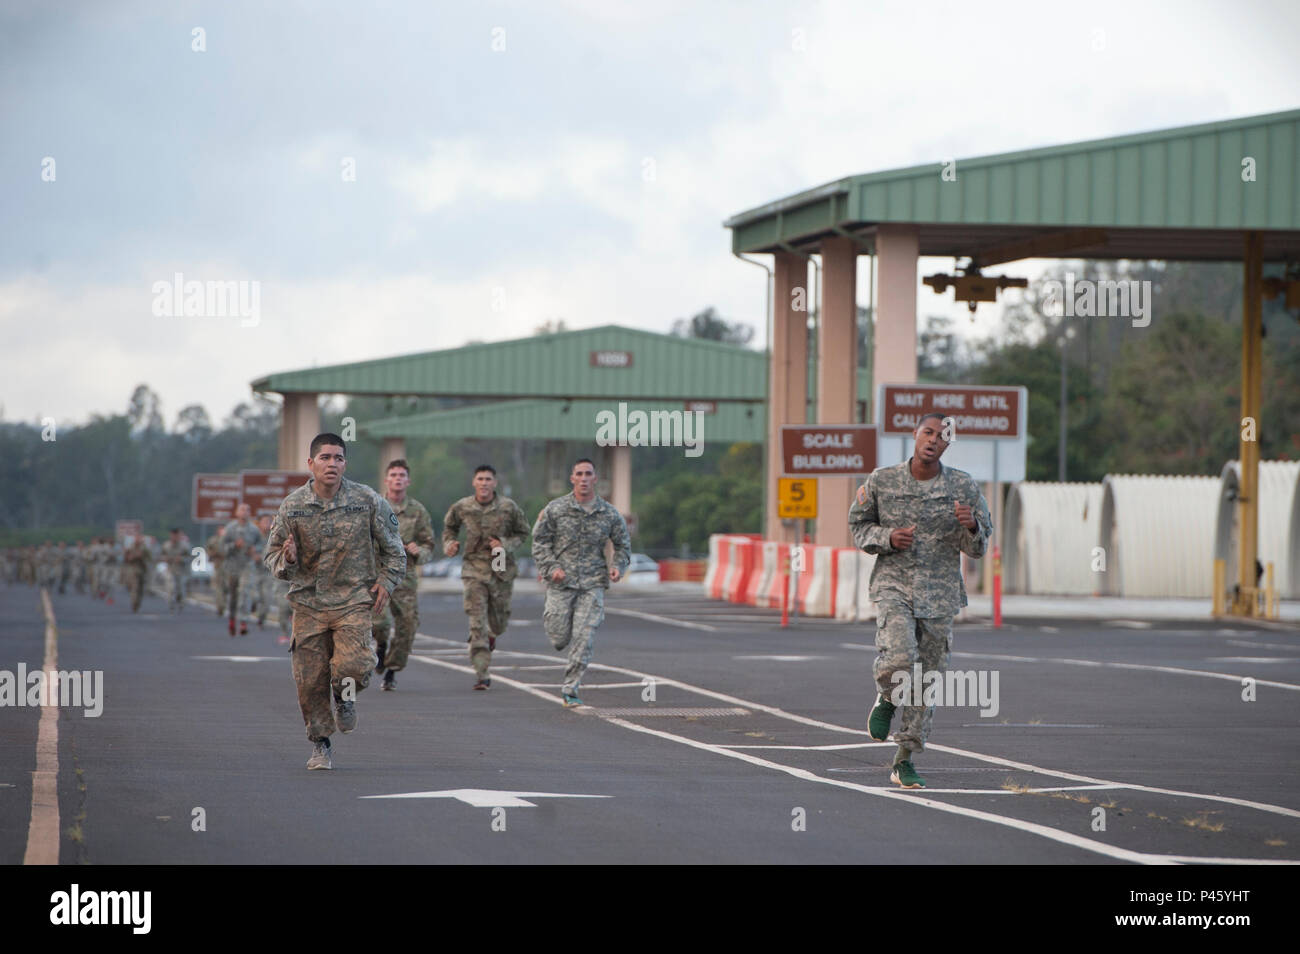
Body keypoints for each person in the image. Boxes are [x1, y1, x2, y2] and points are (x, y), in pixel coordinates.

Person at [849, 410, 992, 790]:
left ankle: (905, 758)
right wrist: (888, 537)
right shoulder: (882, 480)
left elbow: (979, 546)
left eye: (941, 436)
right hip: (894, 586)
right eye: (927, 432)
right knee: (898, 659)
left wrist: (972, 526)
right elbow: (859, 526)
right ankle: (885, 698)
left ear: (948, 444)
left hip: (941, 592)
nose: (933, 440)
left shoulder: (963, 487)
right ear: (915, 435)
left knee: (926, 680)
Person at [264, 433, 406, 771]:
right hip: (308, 604)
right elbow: (271, 557)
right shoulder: (293, 506)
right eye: (325, 457)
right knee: (309, 680)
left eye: (339, 458)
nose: (332, 463)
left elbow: (394, 549)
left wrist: (386, 581)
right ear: (310, 463)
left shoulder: (366, 500)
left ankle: (345, 697)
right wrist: (289, 560)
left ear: (345, 464)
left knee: (353, 666)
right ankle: (320, 744)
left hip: (353, 601)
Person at [531, 457, 630, 707]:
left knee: (584, 637)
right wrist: (551, 568)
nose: (584, 478)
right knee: (559, 637)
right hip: (560, 582)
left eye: (588, 474)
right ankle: (556, 631)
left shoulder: (608, 513)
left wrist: (617, 567)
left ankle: (571, 688)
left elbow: (622, 545)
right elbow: (539, 542)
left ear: (595, 479)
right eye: (579, 474)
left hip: (592, 582)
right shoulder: (555, 509)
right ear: (572, 478)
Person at [442, 464, 530, 690]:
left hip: (501, 570)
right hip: (474, 570)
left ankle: (491, 636)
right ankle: (482, 672)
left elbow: (523, 532)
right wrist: (450, 544)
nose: (484, 483)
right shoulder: (463, 506)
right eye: (480, 478)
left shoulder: (508, 507)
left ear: (495, 483)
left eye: (488, 479)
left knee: (498, 623)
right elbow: (449, 528)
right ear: (474, 482)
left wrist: (505, 545)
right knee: (476, 621)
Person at [371, 459, 436, 691]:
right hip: (378, 574)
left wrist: (421, 551)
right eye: (393, 475)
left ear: (408, 481)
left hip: (405, 576)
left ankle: (391, 670)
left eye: (402, 475)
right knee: (379, 620)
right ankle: (380, 644)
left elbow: (429, 543)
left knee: (407, 626)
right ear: (387, 479)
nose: (397, 478)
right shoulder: (374, 505)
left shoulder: (418, 511)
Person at [221, 504, 262, 636]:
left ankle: (243, 621)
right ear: (237, 513)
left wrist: (255, 551)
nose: (245, 512)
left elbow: (261, 545)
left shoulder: (254, 530)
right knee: (233, 595)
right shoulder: (230, 529)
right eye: (242, 510)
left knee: (244, 592)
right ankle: (232, 619)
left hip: (247, 565)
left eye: (247, 510)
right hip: (232, 567)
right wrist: (234, 545)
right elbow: (222, 548)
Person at [160, 528, 190, 613]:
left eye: (177, 535)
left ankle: (181, 602)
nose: (175, 537)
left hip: (181, 570)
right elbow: (161, 555)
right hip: (170, 569)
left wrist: (182, 559)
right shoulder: (166, 545)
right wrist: (165, 559)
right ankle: (171, 604)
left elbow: (189, 557)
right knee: (170, 587)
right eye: (173, 535)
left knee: (181, 589)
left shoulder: (184, 546)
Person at [120, 534, 152, 613]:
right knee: (135, 587)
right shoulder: (130, 548)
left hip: (142, 569)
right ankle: (134, 603)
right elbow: (125, 559)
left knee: (140, 589)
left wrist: (142, 557)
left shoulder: (144, 549)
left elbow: (150, 558)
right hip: (133, 569)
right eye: (137, 539)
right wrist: (132, 557)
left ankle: (138, 603)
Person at [206, 525, 227, 616]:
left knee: (226, 587)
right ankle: (220, 606)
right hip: (218, 566)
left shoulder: (229, 540)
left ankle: (224, 603)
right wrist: (213, 554)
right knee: (218, 587)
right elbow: (208, 551)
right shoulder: (213, 540)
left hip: (229, 567)